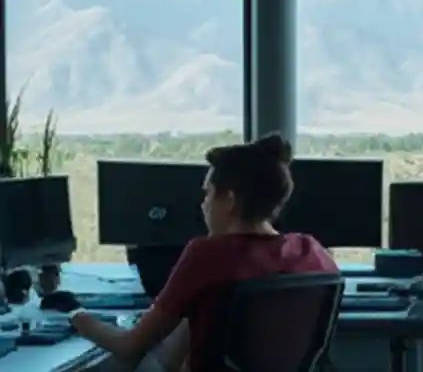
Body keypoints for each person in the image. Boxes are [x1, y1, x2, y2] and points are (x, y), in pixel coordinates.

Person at [50, 135, 338, 371]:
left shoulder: (208, 255)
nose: (203, 205)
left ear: (229, 200)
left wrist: (77, 315)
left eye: (208, 193)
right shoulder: (313, 252)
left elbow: (129, 347)